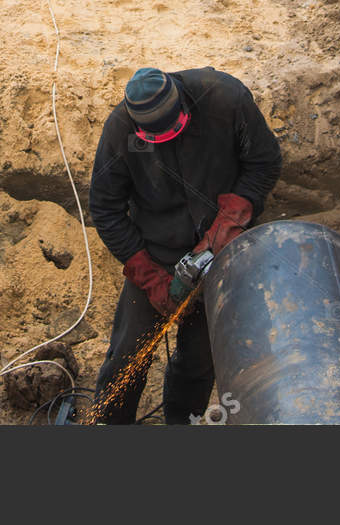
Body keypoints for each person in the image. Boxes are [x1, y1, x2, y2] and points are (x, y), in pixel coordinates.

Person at [87, 66, 282, 424]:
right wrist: (150, 277)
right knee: (127, 356)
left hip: (223, 248)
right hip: (157, 251)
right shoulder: (120, 128)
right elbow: (105, 208)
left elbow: (265, 162)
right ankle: (110, 423)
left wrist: (229, 220)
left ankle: (180, 425)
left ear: (183, 105)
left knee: (198, 360)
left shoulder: (225, 99)